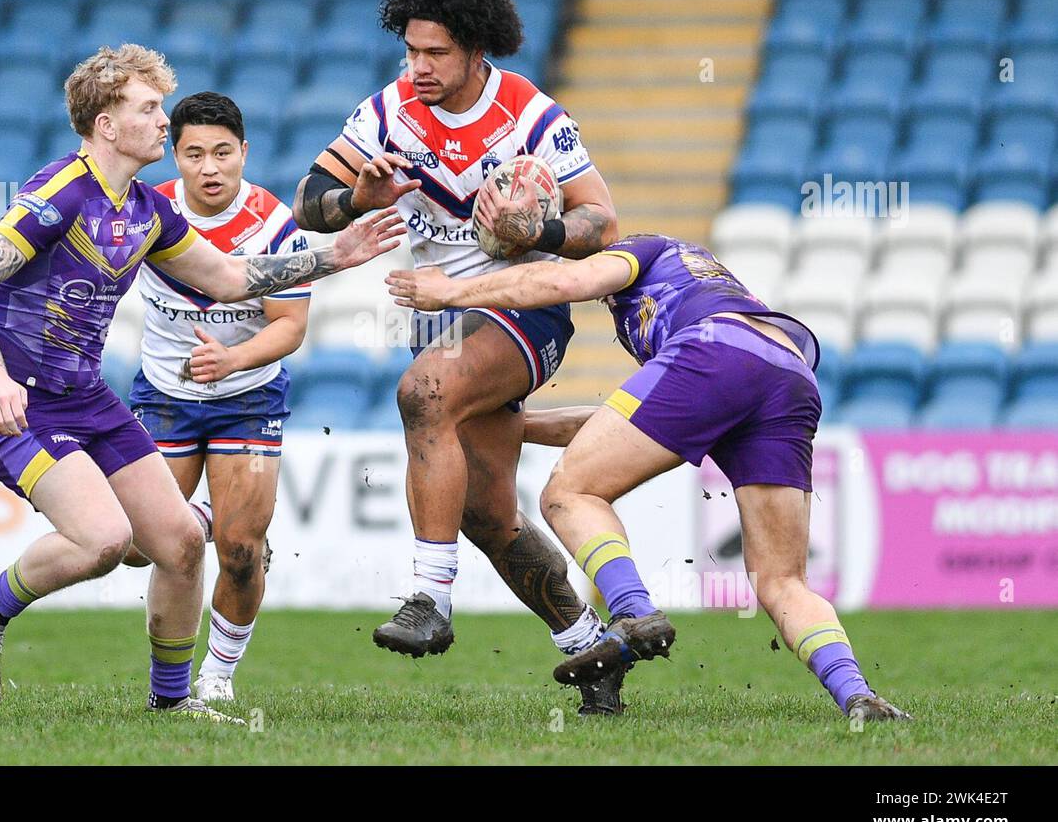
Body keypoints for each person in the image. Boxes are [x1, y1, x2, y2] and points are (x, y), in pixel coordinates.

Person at [0, 44, 402, 723]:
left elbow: (226, 278)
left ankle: (172, 703)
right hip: (25, 406)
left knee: (182, 544)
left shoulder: (145, 210)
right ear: (106, 124)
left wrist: (336, 254)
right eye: (150, 109)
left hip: (90, 399)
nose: (165, 122)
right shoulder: (60, 191)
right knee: (103, 543)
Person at [387, 233, 911, 723]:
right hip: (788, 372)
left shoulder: (643, 248)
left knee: (569, 491)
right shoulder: (692, 290)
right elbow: (614, 423)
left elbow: (562, 283)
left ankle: (633, 611)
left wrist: (452, 290)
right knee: (781, 580)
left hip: (721, 350)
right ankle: (858, 696)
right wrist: (503, 429)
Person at [291, 0, 624, 715]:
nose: (419, 66)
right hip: (439, 318)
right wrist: (355, 198)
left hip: (523, 309)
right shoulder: (385, 111)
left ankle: (428, 600)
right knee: (487, 515)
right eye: (410, 50)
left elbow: (602, 221)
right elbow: (308, 201)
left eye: (435, 52)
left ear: (478, 49)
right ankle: (593, 649)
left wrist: (534, 226)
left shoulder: (531, 115)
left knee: (425, 391)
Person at [123, 91, 310, 703]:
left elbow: (290, 325)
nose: (210, 168)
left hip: (249, 397)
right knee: (131, 546)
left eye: (223, 153)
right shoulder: (147, 213)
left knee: (240, 551)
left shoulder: (277, 225)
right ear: (173, 155)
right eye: (195, 153)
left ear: (244, 152)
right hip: (165, 396)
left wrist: (231, 359)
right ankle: (204, 518)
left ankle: (216, 680)